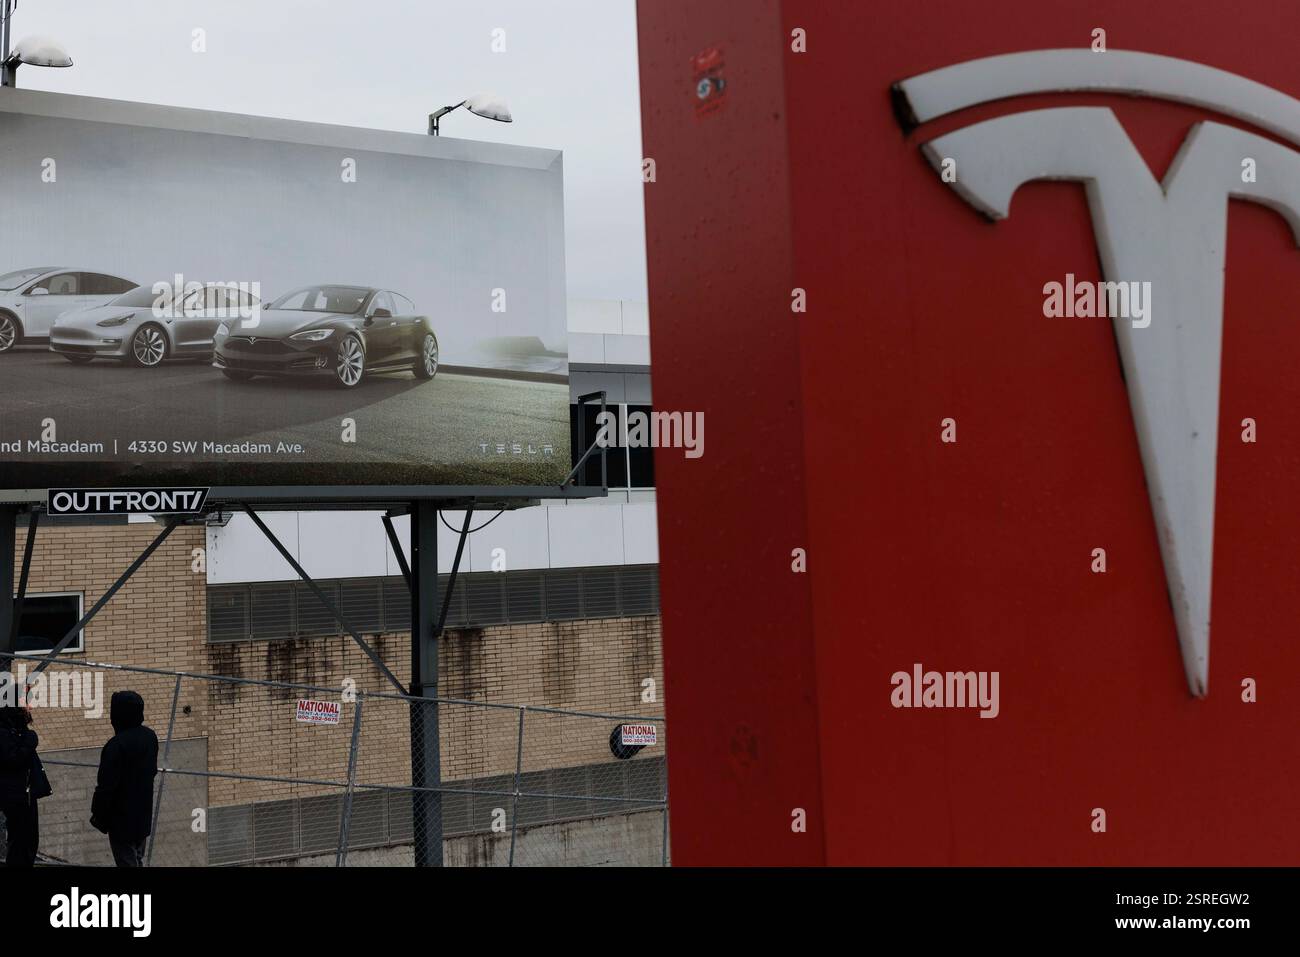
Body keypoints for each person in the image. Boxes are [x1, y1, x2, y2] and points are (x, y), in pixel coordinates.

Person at [91, 690, 158, 867]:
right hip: (142, 814)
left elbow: (105, 787)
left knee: (126, 861)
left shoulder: (115, 746)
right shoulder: (150, 737)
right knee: (137, 858)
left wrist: (98, 815)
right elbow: (152, 771)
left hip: (121, 819)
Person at [0, 704, 41, 867]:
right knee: (21, 843)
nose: (30, 707)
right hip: (15, 796)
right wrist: (30, 741)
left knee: (27, 841)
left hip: (24, 794)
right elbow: (13, 759)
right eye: (25, 704)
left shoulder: (17, 730)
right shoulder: (5, 732)